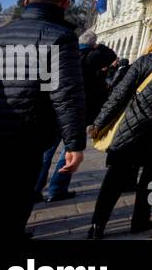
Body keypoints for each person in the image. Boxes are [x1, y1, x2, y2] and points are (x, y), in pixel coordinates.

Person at [0, 0, 86, 240]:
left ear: (25, 2)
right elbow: (66, 94)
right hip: (22, 139)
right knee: (8, 215)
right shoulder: (61, 38)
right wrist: (75, 143)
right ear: (65, 4)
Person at [85, 25, 152, 238]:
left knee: (114, 179)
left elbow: (119, 94)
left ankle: (97, 224)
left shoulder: (143, 61)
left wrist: (99, 122)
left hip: (131, 125)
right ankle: (141, 218)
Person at [37, 28, 116, 203]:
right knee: (70, 151)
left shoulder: (62, 53)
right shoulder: (91, 56)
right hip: (78, 109)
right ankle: (57, 188)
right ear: (92, 43)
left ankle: (35, 189)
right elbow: (111, 55)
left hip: (54, 107)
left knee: (47, 151)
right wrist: (99, 46)